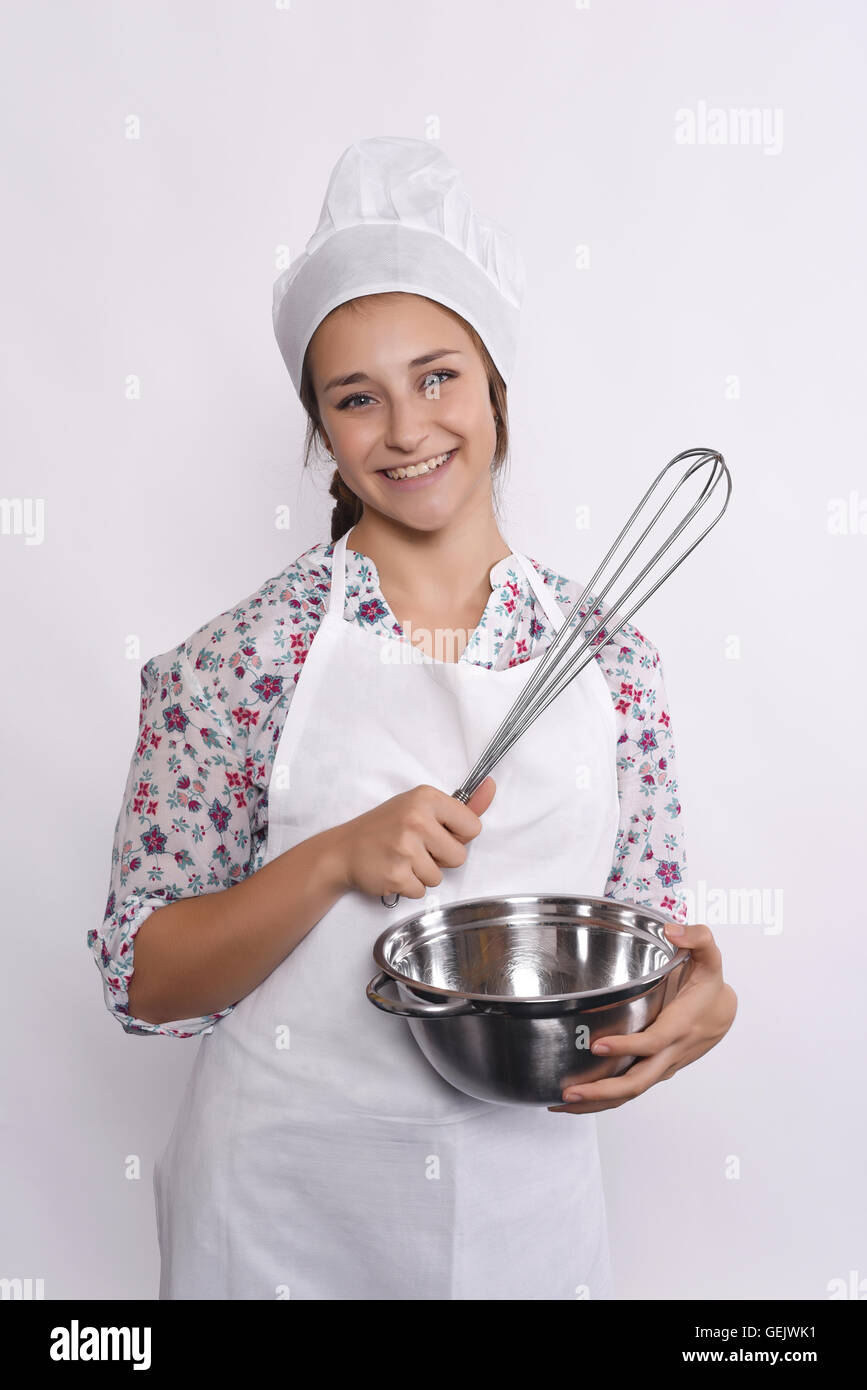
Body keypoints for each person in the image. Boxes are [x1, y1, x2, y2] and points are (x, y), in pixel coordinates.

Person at [88, 137, 736, 1300]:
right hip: (278, 1222)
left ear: (495, 384)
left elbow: (649, 938)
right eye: (356, 397)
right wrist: (335, 857)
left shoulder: (612, 662)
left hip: (525, 1226)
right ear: (321, 429)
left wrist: (704, 997)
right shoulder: (238, 663)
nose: (406, 429)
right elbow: (144, 978)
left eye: (438, 376)